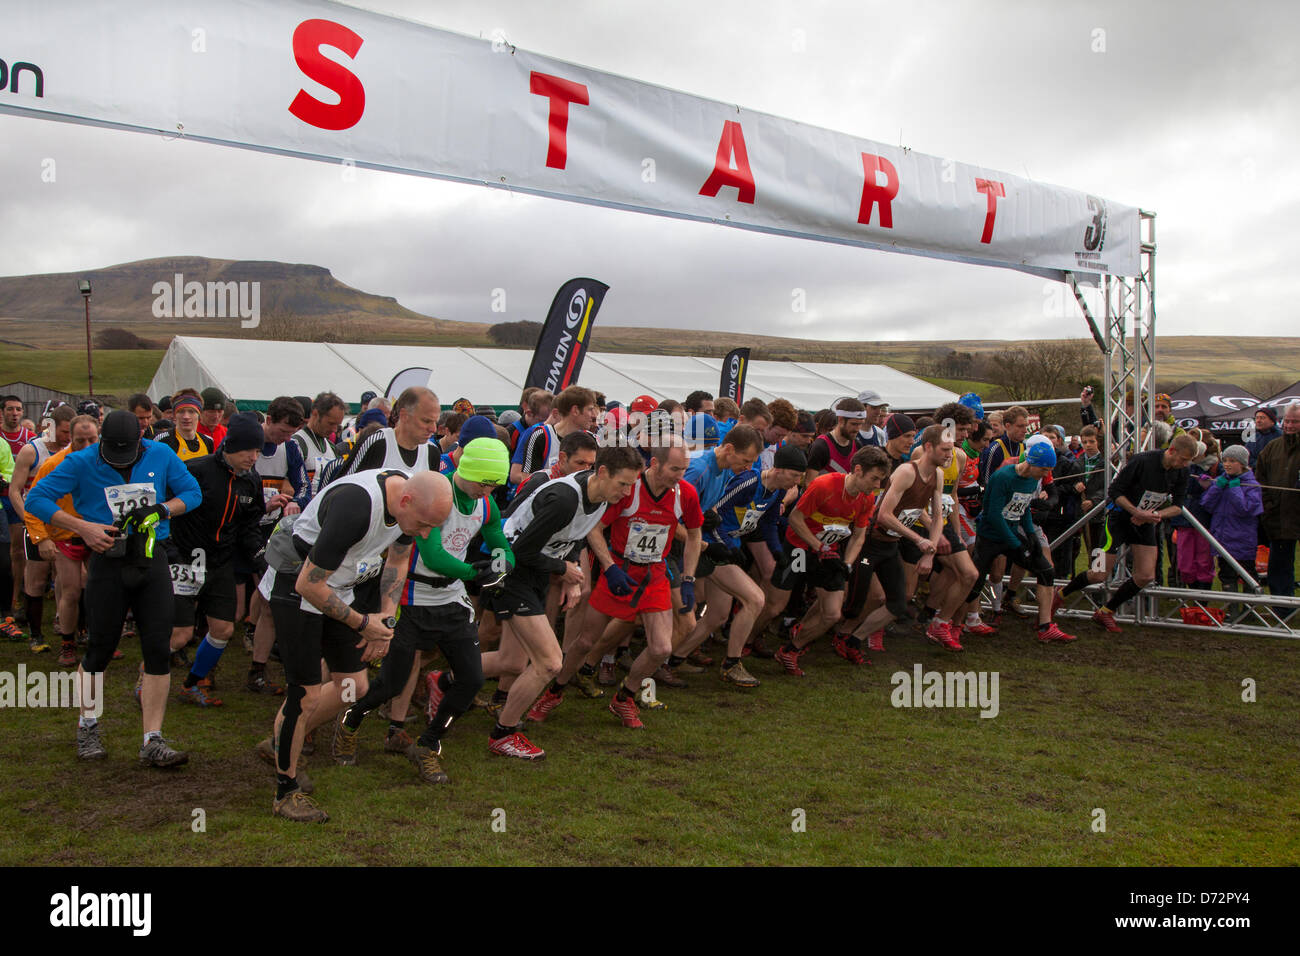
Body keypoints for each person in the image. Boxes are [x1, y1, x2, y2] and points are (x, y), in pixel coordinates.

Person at [262, 468, 453, 821]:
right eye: (425, 524)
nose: (426, 533)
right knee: (304, 694)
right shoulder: (357, 505)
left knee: (353, 687)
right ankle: (285, 791)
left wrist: (386, 620)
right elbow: (308, 585)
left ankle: (282, 738)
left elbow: (397, 559)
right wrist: (363, 623)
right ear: (406, 501)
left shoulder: (410, 506)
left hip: (339, 588)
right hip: (296, 585)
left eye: (433, 527)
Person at [24, 410, 204, 767]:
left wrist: (161, 510)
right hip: (107, 563)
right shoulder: (79, 461)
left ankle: (152, 738)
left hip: (151, 560)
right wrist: (83, 527)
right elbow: (35, 499)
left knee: (156, 648)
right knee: (99, 650)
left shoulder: (160, 454)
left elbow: (192, 493)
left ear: (141, 440)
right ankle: (87, 725)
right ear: (102, 443)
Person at [335, 438, 512, 783]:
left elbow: (499, 540)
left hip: (451, 600)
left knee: (472, 679)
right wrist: (476, 573)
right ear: (468, 470)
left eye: (494, 484)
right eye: (483, 481)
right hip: (411, 598)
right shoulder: (437, 495)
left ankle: (428, 745)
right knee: (391, 682)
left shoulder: (486, 503)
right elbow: (433, 555)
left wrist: (502, 565)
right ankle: (351, 721)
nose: (486, 490)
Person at [479, 445, 643, 759]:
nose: (627, 492)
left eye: (632, 485)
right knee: (550, 663)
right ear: (603, 472)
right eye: (623, 484)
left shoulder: (598, 495)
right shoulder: (565, 498)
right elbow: (522, 551)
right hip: (512, 574)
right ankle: (504, 733)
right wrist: (563, 569)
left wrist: (571, 573)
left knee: (513, 662)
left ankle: (443, 681)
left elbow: (572, 537)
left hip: (531, 575)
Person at [528, 438, 702, 729]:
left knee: (661, 648)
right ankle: (554, 691)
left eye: (684, 469)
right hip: (620, 570)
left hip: (654, 574)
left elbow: (695, 535)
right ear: (655, 463)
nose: (680, 475)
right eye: (675, 468)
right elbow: (595, 529)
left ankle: (625, 697)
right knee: (585, 641)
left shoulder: (685, 493)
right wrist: (609, 568)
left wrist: (688, 577)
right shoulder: (628, 489)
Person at [167, 413, 269, 707]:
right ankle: (145, 677)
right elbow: (166, 509)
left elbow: (250, 527)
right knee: (180, 635)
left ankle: (191, 684)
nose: (254, 456)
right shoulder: (195, 470)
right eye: (248, 450)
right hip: (185, 561)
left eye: (258, 450)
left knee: (224, 629)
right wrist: (169, 549)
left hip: (221, 562)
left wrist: (259, 557)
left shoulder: (251, 481)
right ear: (230, 446)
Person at [766, 445, 889, 674]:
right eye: (874, 479)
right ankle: (747, 642)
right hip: (799, 548)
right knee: (775, 606)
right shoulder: (824, 485)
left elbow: (859, 535)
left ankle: (791, 649)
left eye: (881, 480)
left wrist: (848, 564)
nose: (877, 486)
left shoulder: (867, 498)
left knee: (833, 613)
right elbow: (795, 518)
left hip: (829, 553)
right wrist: (818, 547)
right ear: (858, 470)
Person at [1056, 434, 1198, 630]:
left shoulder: (1182, 472)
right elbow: (1114, 492)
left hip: (1145, 523)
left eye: (1188, 461)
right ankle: (1061, 594)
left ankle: (1106, 611)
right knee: (1098, 573)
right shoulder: (1142, 461)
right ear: (1171, 451)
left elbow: (1178, 506)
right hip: (1117, 519)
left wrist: (1155, 514)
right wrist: (1135, 511)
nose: (1184, 464)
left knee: (1146, 575)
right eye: (1183, 459)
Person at [676, 425, 766, 686]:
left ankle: (673, 659)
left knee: (716, 615)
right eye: (746, 460)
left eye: (752, 462)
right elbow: (670, 519)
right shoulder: (699, 470)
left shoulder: (726, 469)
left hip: (703, 544)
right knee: (755, 599)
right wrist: (705, 545)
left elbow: (705, 508)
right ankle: (731, 664)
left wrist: (710, 515)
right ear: (729, 449)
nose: (749, 468)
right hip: (687, 548)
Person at [962, 442, 1077, 644]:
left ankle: (1045, 626)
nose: (1045, 475)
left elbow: (1022, 508)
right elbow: (995, 515)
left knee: (1046, 570)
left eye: (1049, 471)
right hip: (990, 536)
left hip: (1012, 533)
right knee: (975, 581)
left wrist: (1031, 534)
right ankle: (960, 622)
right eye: (1043, 469)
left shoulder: (1033, 480)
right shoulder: (1003, 477)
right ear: (1030, 463)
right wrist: (1016, 544)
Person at [23, 415, 100, 665]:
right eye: (80, 440)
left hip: (99, 535)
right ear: (69, 438)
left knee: (101, 590)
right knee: (71, 590)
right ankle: (67, 644)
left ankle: (97, 639)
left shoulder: (106, 462)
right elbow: (32, 503)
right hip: (67, 537)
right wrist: (41, 538)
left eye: (92, 440)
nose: (87, 446)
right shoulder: (54, 464)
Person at [9, 404, 74, 652]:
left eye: (71, 432)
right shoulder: (31, 450)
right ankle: (35, 634)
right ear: (52, 427)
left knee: (67, 579)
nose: (68, 438)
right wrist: (27, 519)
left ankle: (66, 624)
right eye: (65, 432)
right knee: (35, 578)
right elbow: (15, 490)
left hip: (64, 522)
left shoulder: (72, 450)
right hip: (37, 522)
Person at [1198, 445, 1263, 599]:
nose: (1227, 464)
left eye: (1232, 461)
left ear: (1242, 463)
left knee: (1247, 575)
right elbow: (1207, 504)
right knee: (1226, 575)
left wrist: (1235, 489)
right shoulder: (1222, 481)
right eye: (1225, 460)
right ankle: (1231, 610)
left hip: (1243, 539)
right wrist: (1215, 487)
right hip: (1223, 538)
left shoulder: (1251, 485)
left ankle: (1250, 610)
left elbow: (1245, 510)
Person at [508, 385, 599, 488]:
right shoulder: (541, 436)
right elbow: (527, 483)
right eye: (590, 409)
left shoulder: (592, 439)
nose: (594, 415)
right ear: (575, 410)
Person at [1254, 402, 1300, 597]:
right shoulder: (1273, 447)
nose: (1289, 425)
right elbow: (1259, 480)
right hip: (1279, 517)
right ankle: (1283, 609)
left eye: (1295, 422)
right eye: (1287, 421)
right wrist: (1268, 506)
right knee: (1279, 566)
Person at [293, 392, 347, 491]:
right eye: (331, 423)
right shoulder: (297, 443)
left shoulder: (332, 447)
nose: (334, 429)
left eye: (337, 425)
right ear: (315, 414)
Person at [804, 397, 865, 482]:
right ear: (841, 420)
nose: (857, 429)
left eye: (860, 424)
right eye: (854, 424)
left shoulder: (858, 446)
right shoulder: (821, 446)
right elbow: (809, 484)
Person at [155, 391, 215, 462]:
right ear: (174, 415)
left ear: (199, 415)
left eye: (191, 411)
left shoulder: (208, 441)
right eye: (181, 411)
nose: (186, 416)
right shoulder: (163, 440)